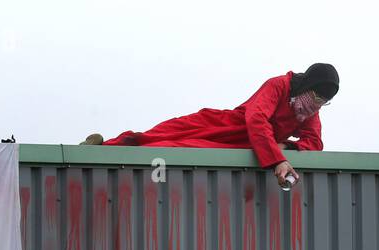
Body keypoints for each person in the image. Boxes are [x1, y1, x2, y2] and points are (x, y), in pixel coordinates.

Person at [81, 63, 339, 188]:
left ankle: (110, 145)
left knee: (174, 147)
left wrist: (287, 149)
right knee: (164, 135)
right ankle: (105, 145)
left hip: (247, 147)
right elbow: (256, 120)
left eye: (324, 102)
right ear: (307, 87)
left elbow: (314, 143)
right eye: (317, 97)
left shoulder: (307, 110)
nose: (317, 105)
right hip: (225, 127)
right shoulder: (279, 85)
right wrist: (276, 159)